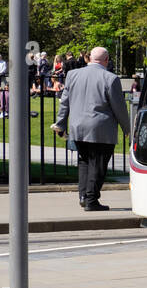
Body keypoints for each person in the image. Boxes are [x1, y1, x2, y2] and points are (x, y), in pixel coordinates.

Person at [52, 46, 132, 211]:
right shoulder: (110, 78)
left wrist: (60, 123)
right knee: (98, 164)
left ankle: (83, 195)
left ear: (88, 59)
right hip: (100, 129)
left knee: (84, 162)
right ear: (107, 60)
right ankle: (91, 200)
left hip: (77, 128)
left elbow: (64, 102)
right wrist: (127, 129)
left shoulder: (73, 75)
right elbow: (119, 107)